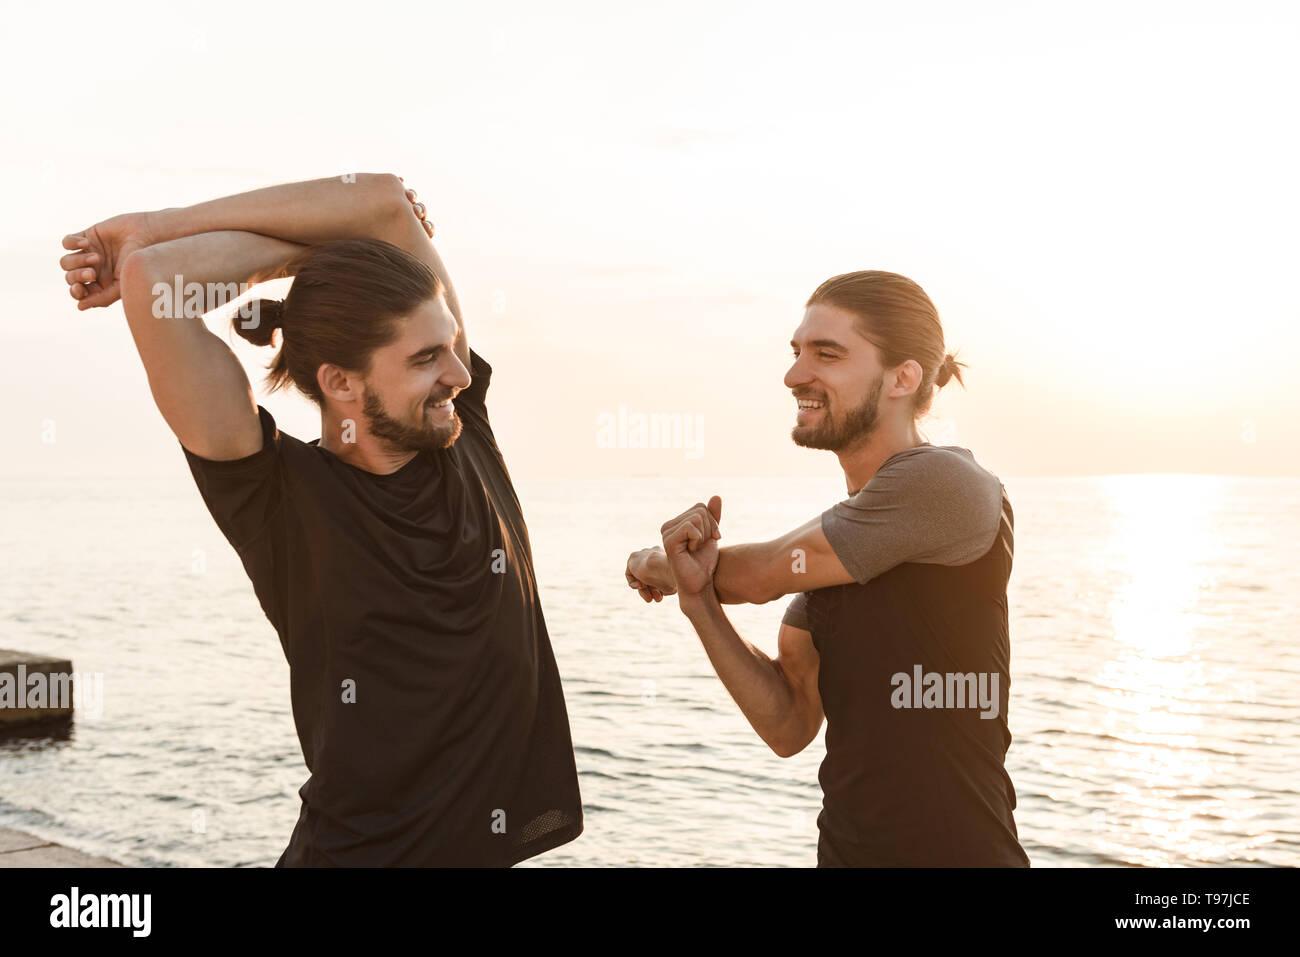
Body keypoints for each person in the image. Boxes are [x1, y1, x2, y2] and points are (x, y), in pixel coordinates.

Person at [60, 174, 583, 866]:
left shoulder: (466, 434)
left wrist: (161, 221)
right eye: (427, 358)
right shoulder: (278, 498)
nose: (458, 371)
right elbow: (152, 278)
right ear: (340, 382)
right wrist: (299, 260)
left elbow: (386, 205)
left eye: (451, 344)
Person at [626, 270, 1029, 867]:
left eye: (827, 354)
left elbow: (760, 575)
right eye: (795, 352)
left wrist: (653, 563)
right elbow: (788, 723)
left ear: (903, 377)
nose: (794, 375)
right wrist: (697, 603)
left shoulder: (947, 483)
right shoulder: (836, 554)